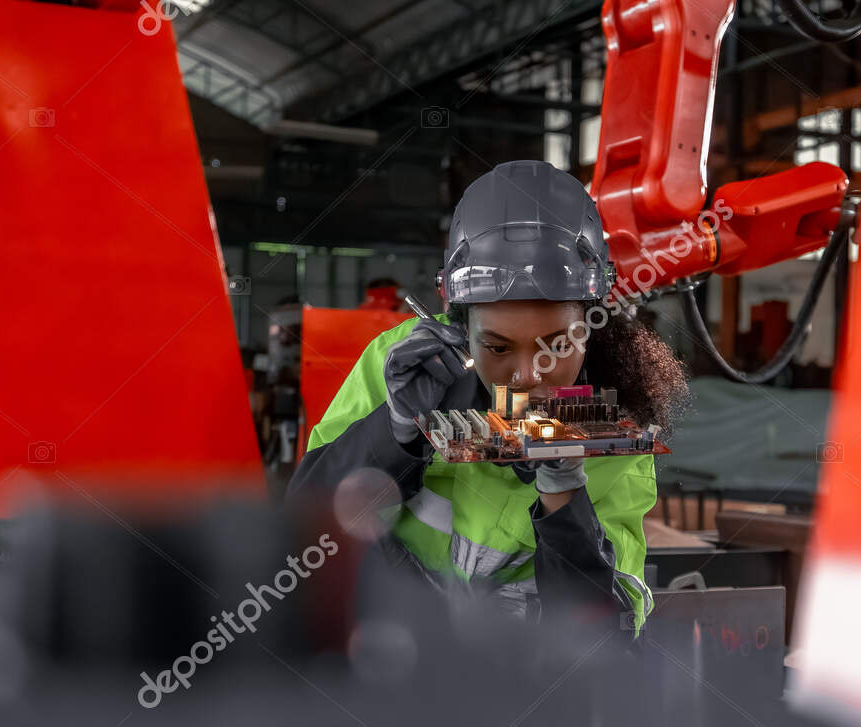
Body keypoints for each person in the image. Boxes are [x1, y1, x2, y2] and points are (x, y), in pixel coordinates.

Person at [289, 161, 688, 631]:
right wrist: (392, 432)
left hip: (523, 683)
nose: (526, 375)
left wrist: (564, 497)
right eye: (497, 347)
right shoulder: (399, 368)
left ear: (590, 326)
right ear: (460, 327)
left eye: (558, 346)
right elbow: (304, 534)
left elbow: (602, 638)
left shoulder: (615, 428)